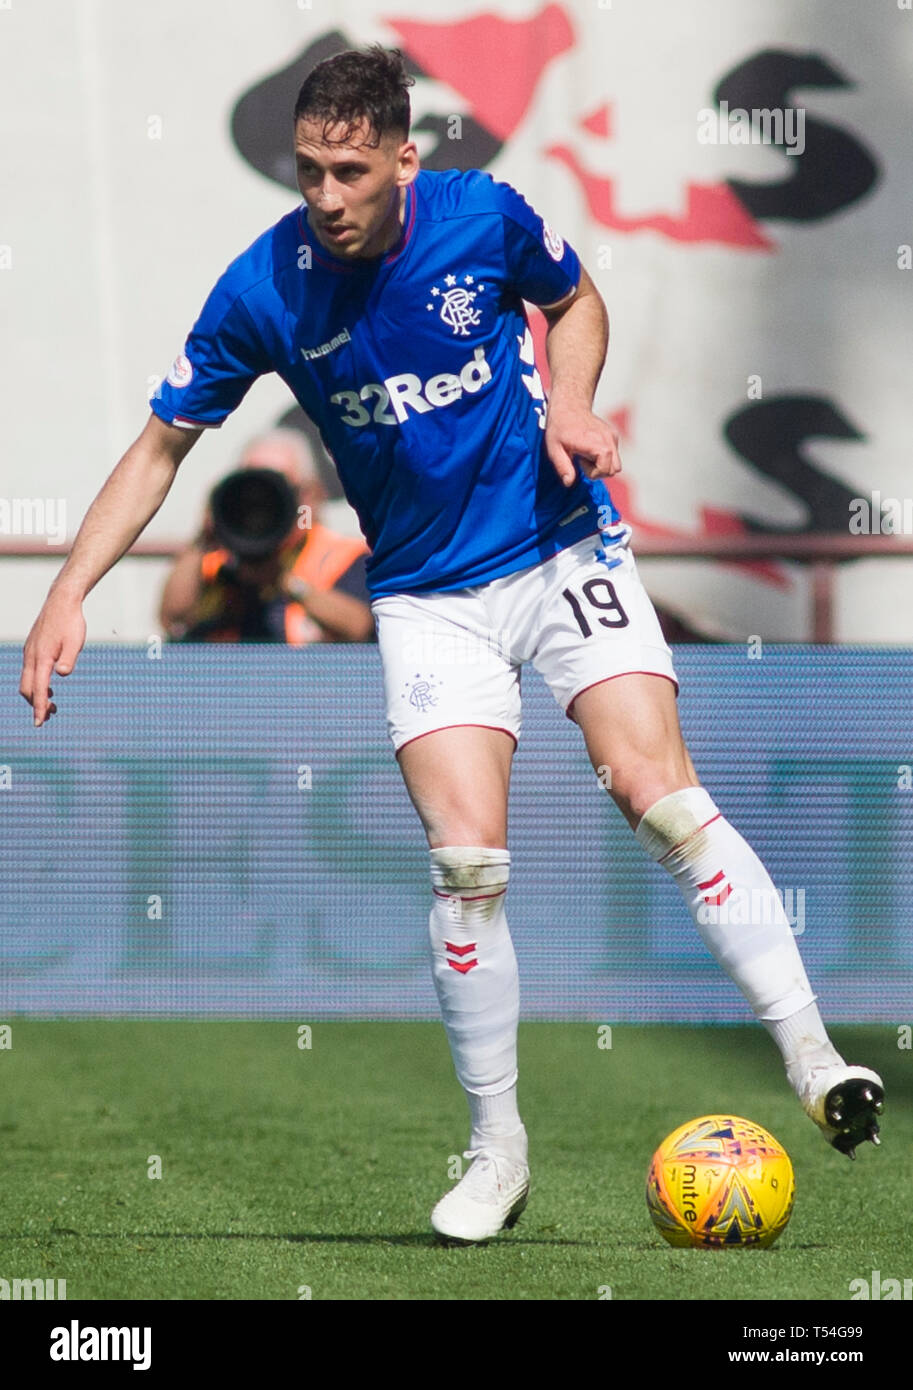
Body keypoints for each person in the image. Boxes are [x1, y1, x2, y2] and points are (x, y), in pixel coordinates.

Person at [19, 45, 883, 1244]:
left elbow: (573, 300)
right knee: (467, 865)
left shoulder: (483, 218)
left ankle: (812, 1058)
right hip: (427, 594)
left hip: (558, 544)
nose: (324, 195)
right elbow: (164, 445)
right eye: (310, 169)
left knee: (659, 793)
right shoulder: (263, 286)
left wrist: (573, 403)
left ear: (404, 162)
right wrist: (70, 593)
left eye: (349, 171)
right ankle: (497, 1151)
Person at [159, 428, 374, 643]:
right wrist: (203, 537)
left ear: (308, 495)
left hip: (301, 674)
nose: (260, 503)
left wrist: (285, 583)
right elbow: (174, 619)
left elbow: (362, 628)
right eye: (251, 485)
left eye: (275, 488)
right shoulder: (217, 557)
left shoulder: (339, 557)